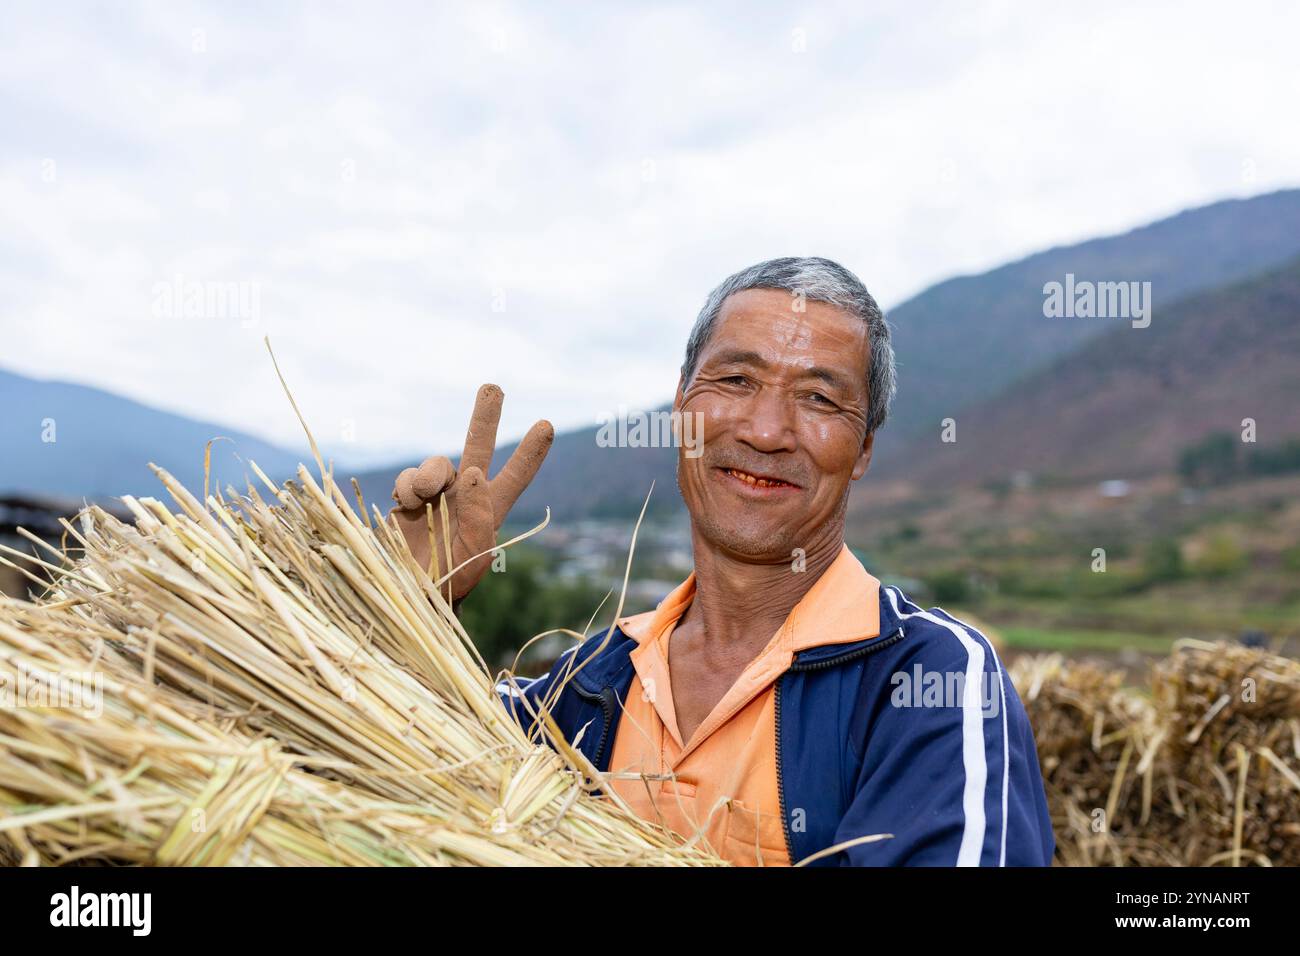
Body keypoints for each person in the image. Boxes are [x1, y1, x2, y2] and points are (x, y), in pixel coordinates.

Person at [390, 257, 1055, 867]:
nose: (765, 430)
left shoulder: (928, 682)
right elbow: (386, 758)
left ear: (862, 450)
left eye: (819, 398)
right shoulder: (591, 682)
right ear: (681, 406)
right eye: (735, 380)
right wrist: (405, 597)